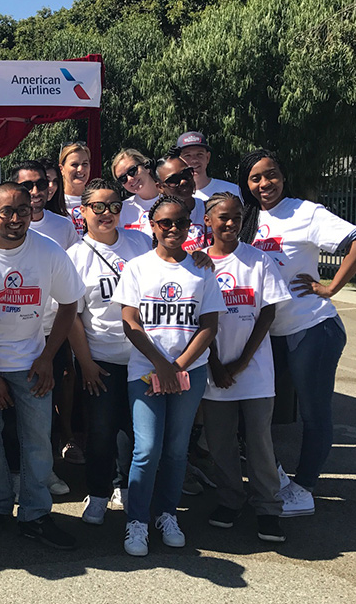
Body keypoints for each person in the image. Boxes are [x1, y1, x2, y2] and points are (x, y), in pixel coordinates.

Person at [238, 149, 356, 517]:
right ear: (245, 183)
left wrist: (331, 287)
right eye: (255, 178)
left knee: (314, 413)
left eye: (271, 174)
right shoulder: (247, 217)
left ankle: (306, 485)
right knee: (259, 410)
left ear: (283, 176)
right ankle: (277, 477)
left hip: (310, 328)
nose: (264, 183)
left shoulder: (305, 212)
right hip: (269, 333)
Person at [0, 182, 84, 549]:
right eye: (6, 212)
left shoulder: (49, 251)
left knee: (37, 442)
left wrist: (48, 356)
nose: (15, 219)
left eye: (23, 211)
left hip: (33, 361)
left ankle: (35, 515)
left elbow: (68, 305)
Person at [112, 195, 226, 557]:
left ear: (190, 225)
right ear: (152, 224)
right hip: (145, 372)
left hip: (188, 372)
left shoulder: (201, 269)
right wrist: (161, 364)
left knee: (177, 451)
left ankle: (166, 514)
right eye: (165, 223)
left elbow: (210, 325)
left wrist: (178, 366)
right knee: (146, 449)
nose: (173, 229)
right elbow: (130, 322)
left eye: (180, 222)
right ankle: (137, 520)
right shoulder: (137, 268)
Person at [202, 192, 291, 543]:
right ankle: (229, 500)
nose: (230, 223)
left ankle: (268, 508)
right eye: (223, 217)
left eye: (237, 217)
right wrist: (215, 363)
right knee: (220, 443)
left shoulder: (258, 260)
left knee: (259, 443)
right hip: (213, 372)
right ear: (208, 221)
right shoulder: (197, 264)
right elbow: (194, 320)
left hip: (254, 373)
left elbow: (267, 311)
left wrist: (240, 362)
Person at [66, 179, 152, 525]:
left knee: (137, 433)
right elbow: (71, 317)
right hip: (101, 358)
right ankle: (99, 493)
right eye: (97, 207)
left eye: (113, 206)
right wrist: (85, 362)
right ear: (82, 211)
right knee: (100, 433)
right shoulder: (75, 257)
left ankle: (131, 491)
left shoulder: (142, 243)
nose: (106, 213)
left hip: (143, 358)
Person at [11, 161, 79, 488]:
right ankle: (17, 473)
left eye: (41, 184)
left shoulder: (63, 226)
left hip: (52, 328)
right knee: (17, 406)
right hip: (13, 330)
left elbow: (71, 278)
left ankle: (46, 469)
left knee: (47, 395)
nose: (36, 192)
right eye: (28, 186)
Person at [153, 151, 212, 252]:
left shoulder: (210, 209)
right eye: (174, 179)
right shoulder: (156, 219)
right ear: (160, 187)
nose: (183, 181)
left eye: (186, 174)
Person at [176, 131, 241, 202]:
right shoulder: (170, 193)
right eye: (187, 156)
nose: (194, 160)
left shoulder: (232, 191)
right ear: (178, 160)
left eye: (199, 154)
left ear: (207, 157)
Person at [112, 149, 160, 235]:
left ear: (146, 167)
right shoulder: (121, 211)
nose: (130, 179)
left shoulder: (174, 198)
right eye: (123, 178)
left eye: (132, 171)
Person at [59, 142, 92, 236]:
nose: (80, 169)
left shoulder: (97, 200)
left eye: (85, 164)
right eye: (74, 165)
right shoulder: (54, 203)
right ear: (62, 169)